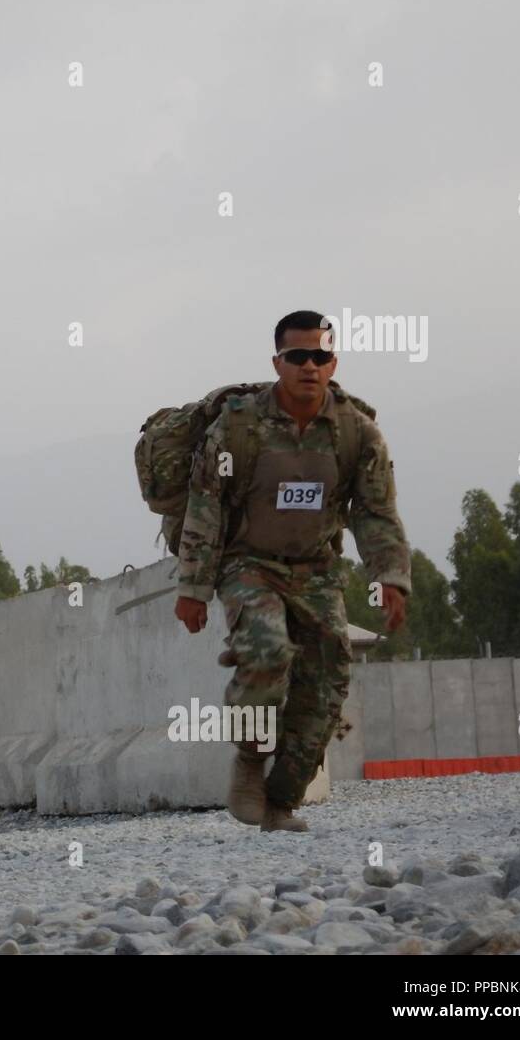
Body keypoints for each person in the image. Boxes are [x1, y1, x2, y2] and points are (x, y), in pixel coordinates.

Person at [174, 311, 410, 832]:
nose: (309, 366)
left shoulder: (356, 432)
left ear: (333, 363)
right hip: (248, 564)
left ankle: (281, 801)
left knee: (326, 685)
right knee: (267, 652)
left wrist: (390, 575)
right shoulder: (237, 426)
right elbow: (205, 506)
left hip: (318, 571)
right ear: (277, 362)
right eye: (297, 356)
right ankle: (250, 760)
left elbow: (375, 512)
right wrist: (192, 586)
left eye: (320, 357)